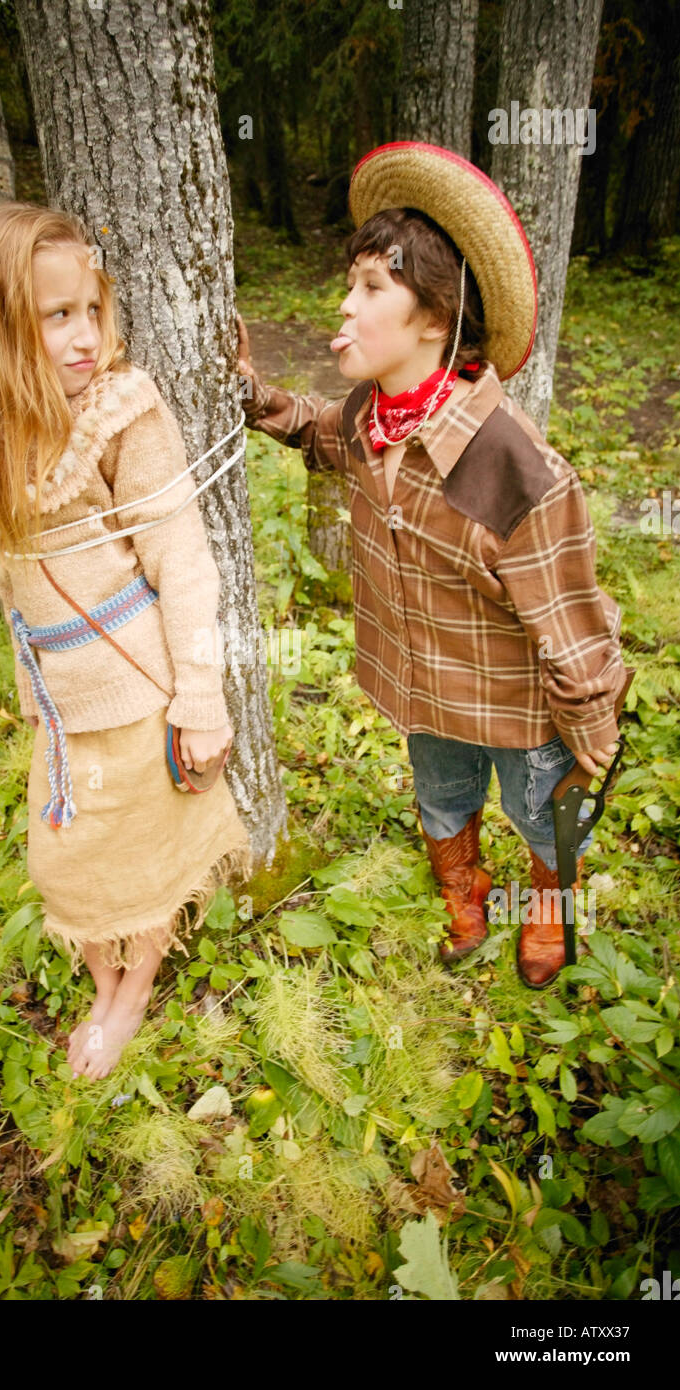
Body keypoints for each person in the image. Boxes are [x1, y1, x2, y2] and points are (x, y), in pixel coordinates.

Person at [237, 141, 632, 989]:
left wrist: (594, 735)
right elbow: (319, 429)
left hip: (518, 705)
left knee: (540, 815)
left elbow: (569, 624)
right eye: (348, 283)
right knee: (442, 797)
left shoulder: (512, 469)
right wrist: (252, 398)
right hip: (426, 689)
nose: (340, 308)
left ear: (435, 314)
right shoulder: (371, 420)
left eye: (370, 287)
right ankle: (464, 891)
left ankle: (547, 904)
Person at [0, 201, 253, 1078]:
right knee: (66, 863)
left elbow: (182, 559)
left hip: (139, 685)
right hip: (61, 707)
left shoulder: (121, 414)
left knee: (144, 851)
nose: (84, 339)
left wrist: (201, 700)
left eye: (92, 311)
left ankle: (128, 992)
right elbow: (12, 574)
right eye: (55, 316)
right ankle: (105, 978)